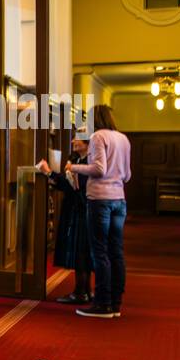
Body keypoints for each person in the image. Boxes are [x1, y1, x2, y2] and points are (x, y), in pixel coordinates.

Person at [68, 104, 131, 318]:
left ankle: (102, 303)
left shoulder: (97, 136)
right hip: (119, 200)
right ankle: (115, 302)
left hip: (100, 200)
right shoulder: (123, 139)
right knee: (116, 251)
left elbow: (98, 169)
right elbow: (127, 175)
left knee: (99, 251)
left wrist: (72, 168)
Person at [36, 130, 92, 305]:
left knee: (81, 251)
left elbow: (76, 186)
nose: (74, 140)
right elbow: (68, 185)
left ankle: (81, 292)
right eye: (74, 137)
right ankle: (84, 290)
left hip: (82, 209)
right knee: (80, 250)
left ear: (89, 142)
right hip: (76, 208)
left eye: (79, 138)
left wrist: (49, 173)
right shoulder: (76, 160)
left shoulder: (89, 162)